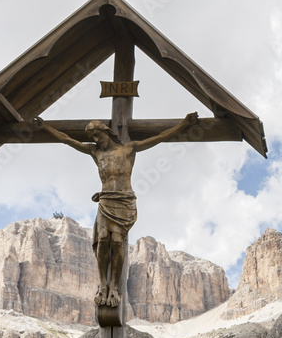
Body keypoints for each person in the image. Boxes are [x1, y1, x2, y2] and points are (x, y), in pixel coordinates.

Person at [32, 113, 199, 307]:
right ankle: (103, 285)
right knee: (103, 240)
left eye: (97, 135)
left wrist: (184, 124)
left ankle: (114, 287)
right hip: (106, 201)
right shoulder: (96, 153)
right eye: (92, 138)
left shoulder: (129, 149)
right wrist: (45, 127)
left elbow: (161, 137)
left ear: (106, 132)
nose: (95, 140)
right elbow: (67, 140)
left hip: (124, 202)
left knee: (117, 242)